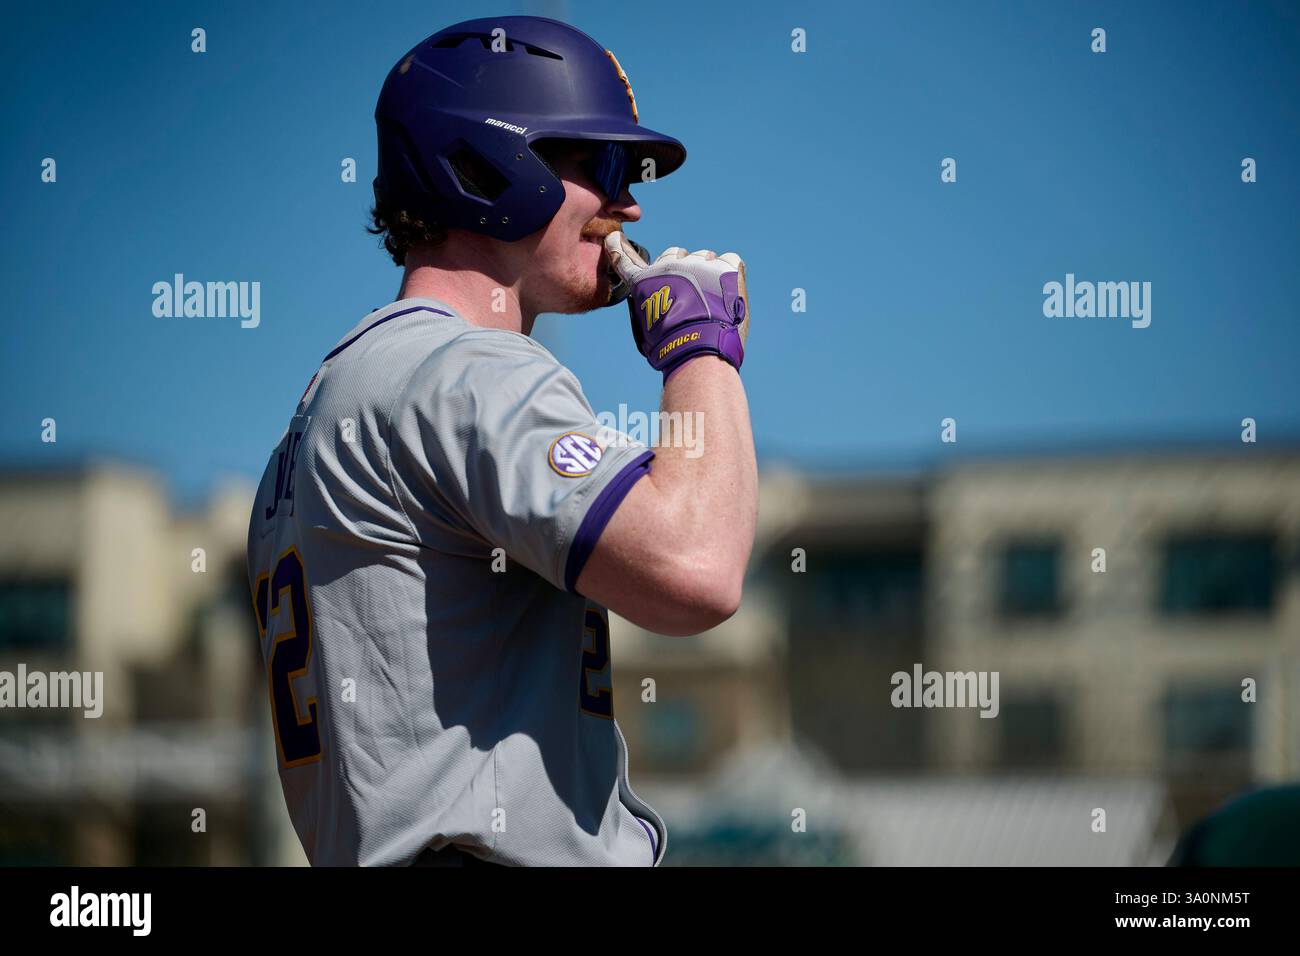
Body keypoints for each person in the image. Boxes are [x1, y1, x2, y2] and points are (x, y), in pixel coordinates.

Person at [246, 15, 756, 867]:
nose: (629, 204)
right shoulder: (464, 370)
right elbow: (696, 570)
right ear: (486, 166)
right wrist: (701, 349)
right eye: (602, 166)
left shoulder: (323, 409)